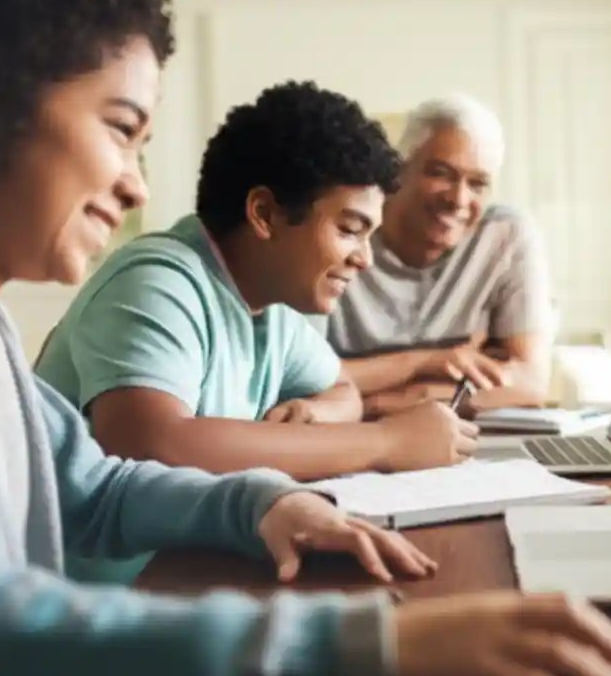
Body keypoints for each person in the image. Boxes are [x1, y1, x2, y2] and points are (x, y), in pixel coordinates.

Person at [0, 0, 611, 676]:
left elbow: (95, 488)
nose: (132, 186)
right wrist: (368, 644)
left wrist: (263, 506)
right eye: (122, 130)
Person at [36, 81, 476, 483]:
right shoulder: (156, 283)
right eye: (349, 229)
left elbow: (343, 390)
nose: (364, 259)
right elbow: (152, 443)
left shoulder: (272, 309)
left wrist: (316, 414)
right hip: (108, 571)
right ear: (264, 214)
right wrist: (387, 442)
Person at [325, 94, 555, 416]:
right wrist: (428, 362)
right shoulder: (345, 227)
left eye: (478, 184)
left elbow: (529, 381)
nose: (459, 199)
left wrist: (403, 397)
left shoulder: (505, 235)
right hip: (348, 437)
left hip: (421, 429)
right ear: (399, 170)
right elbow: (305, 379)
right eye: (441, 173)